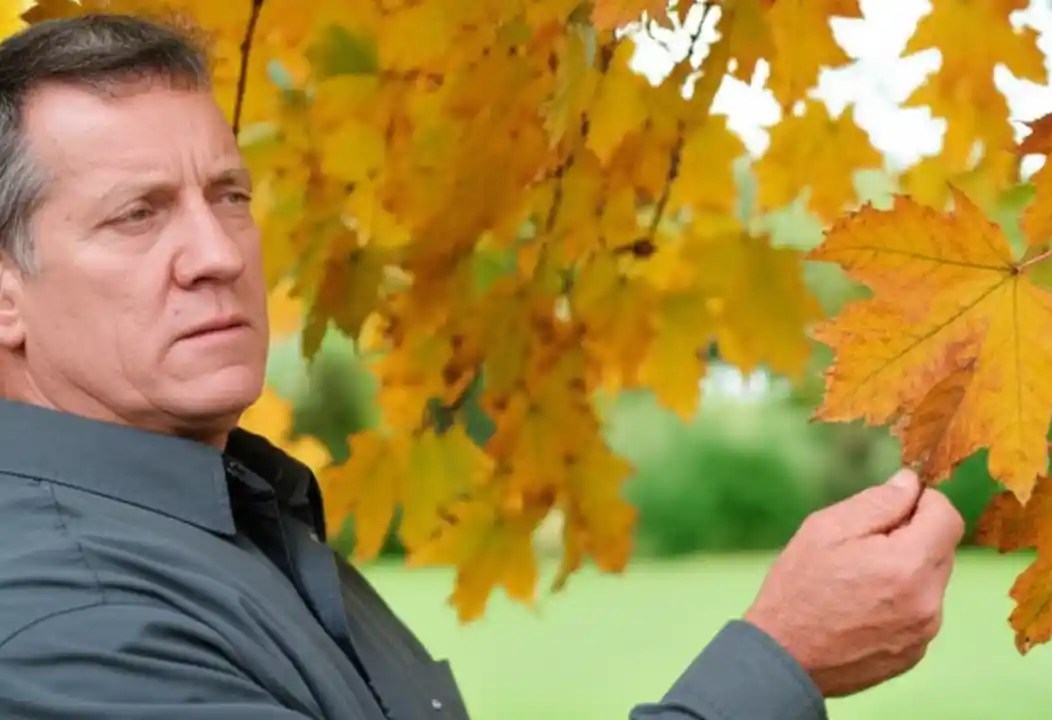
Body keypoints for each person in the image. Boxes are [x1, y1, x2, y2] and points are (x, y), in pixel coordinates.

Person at [0, 14, 965, 720]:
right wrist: (783, 661)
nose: (216, 252)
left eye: (230, 193)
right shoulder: (68, 615)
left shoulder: (233, 515)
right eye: (139, 214)